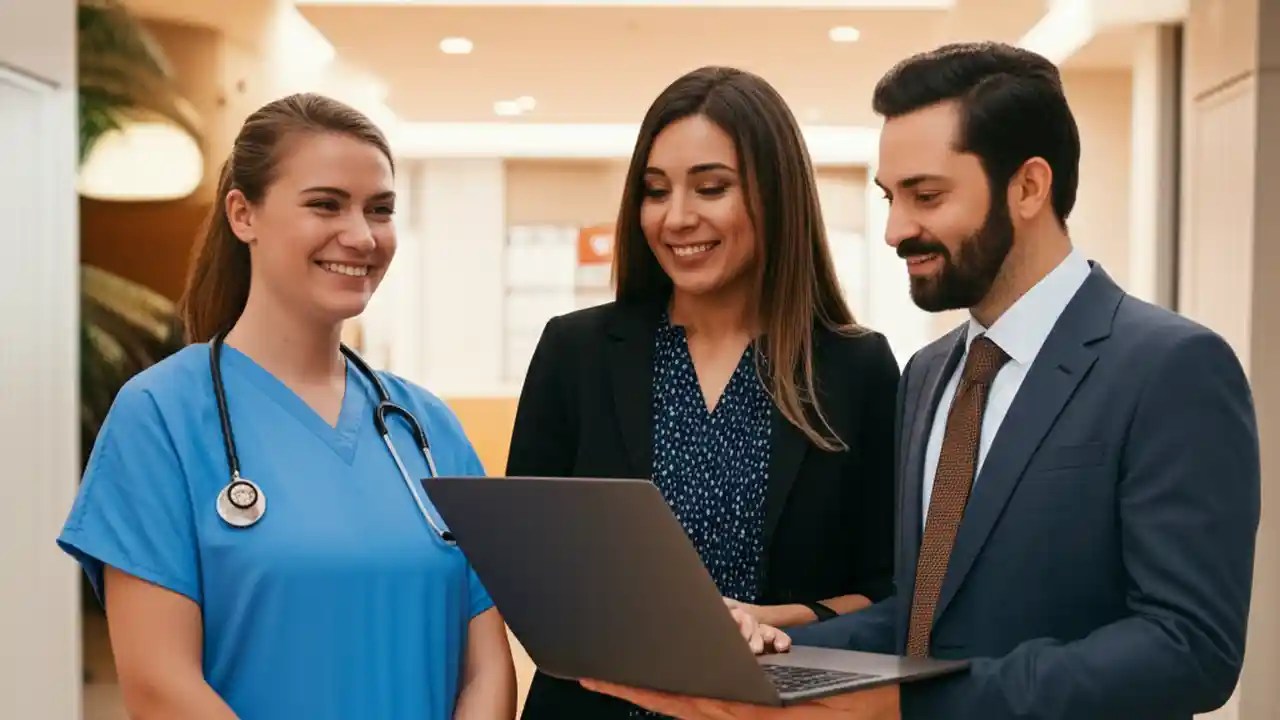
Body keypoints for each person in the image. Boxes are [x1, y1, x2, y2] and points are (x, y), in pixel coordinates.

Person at [584, 42, 1261, 720]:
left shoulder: (1170, 368)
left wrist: (916, 702)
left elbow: (1189, 648)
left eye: (926, 196)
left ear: (1028, 187)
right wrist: (772, 642)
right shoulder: (930, 376)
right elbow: (920, 616)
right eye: (890, 197)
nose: (895, 229)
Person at [56, 93, 517, 720]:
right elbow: (159, 686)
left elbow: (488, 669)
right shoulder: (160, 416)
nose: (360, 235)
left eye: (379, 210)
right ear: (243, 215)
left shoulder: (427, 427)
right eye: (325, 204)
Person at [506, 65, 901, 719]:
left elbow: (887, 590)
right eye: (656, 192)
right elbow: (529, 572)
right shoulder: (575, 353)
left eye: (711, 188)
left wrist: (763, 622)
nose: (677, 218)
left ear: (777, 195)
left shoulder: (855, 369)